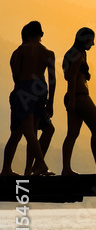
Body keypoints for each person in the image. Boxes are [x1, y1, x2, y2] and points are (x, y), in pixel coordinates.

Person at [1, 22, 56, 176]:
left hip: (24, 90)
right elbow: (52, 80)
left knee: (22, 132)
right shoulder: (48, 53)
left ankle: (37, 165)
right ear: (39, 35)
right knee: (31, 131)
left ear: (27, 35)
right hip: (41, 90)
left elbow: (16, 75)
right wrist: (51, 101)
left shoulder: (20, 51)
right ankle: (30, 169)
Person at [61, 27, 96, 176]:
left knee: (72, 133)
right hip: (79, 97)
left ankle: (66, 169)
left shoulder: (72, 53)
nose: (93, 44)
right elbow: (71, 78)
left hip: (73, 96)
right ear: (85, 40)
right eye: (91, 41)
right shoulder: (78, 55)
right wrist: (72, 101)